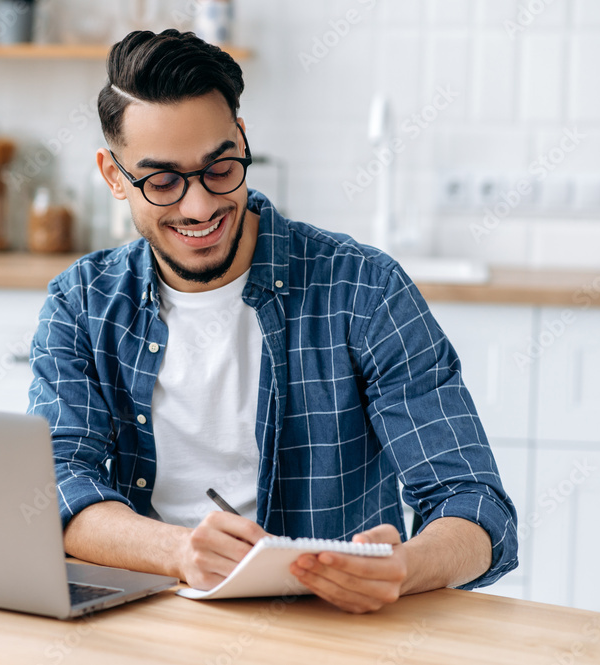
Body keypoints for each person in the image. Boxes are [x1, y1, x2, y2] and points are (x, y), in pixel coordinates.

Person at [27, 29, 517, 614]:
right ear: (113, 176)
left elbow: (474, 502)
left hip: (330, 626)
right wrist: (179, 551)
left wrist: (407, 568)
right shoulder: (82, 303)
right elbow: (54, 487)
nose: (199, 205)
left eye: (220, 168)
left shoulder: (363, 289)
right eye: (162, 182)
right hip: (154, 620)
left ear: (242, 140)